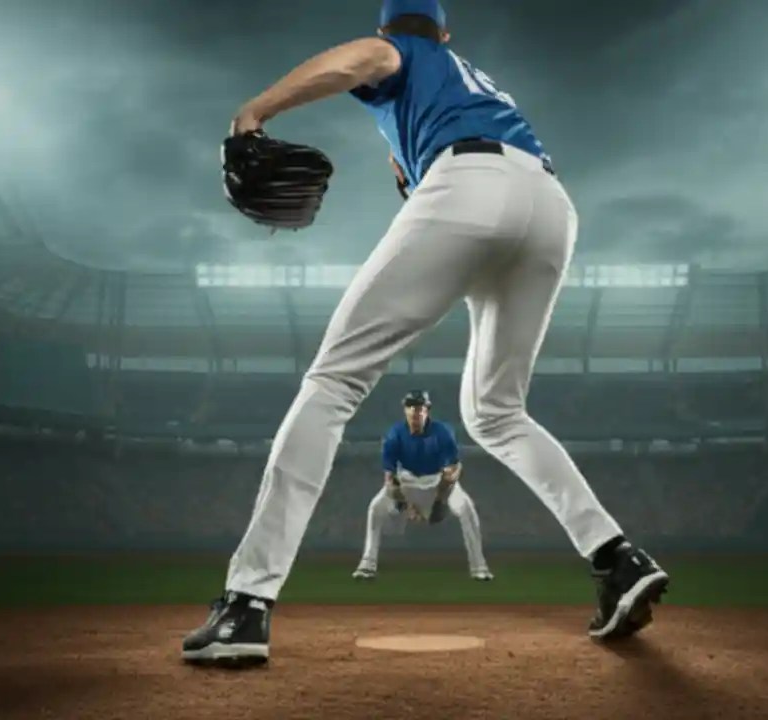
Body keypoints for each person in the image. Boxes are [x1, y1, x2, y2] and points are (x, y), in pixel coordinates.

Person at [182, 0, 669, 667]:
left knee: (333, 383)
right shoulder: (471, 80)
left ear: (392, 28)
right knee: (497, 411)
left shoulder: (406, 54)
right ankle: (616, 556)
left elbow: (361, 61)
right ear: (446, 28)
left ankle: (246, 603)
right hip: (550, 206)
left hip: (468, 182)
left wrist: (254, 112)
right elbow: (428, 182)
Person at [352, 390, 493, 582]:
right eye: (410, 407)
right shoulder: (395, 434)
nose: (415, 411)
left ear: (427, 410)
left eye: (419, 407)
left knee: (466, 508)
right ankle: (367, 564)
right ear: (405, 410)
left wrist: (440, 503)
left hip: (437, 481)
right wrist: (405, 506)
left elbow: (451, 472)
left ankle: (479, 568)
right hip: (407, 482)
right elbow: (390, 477)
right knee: (376, 508)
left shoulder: (442, 432)